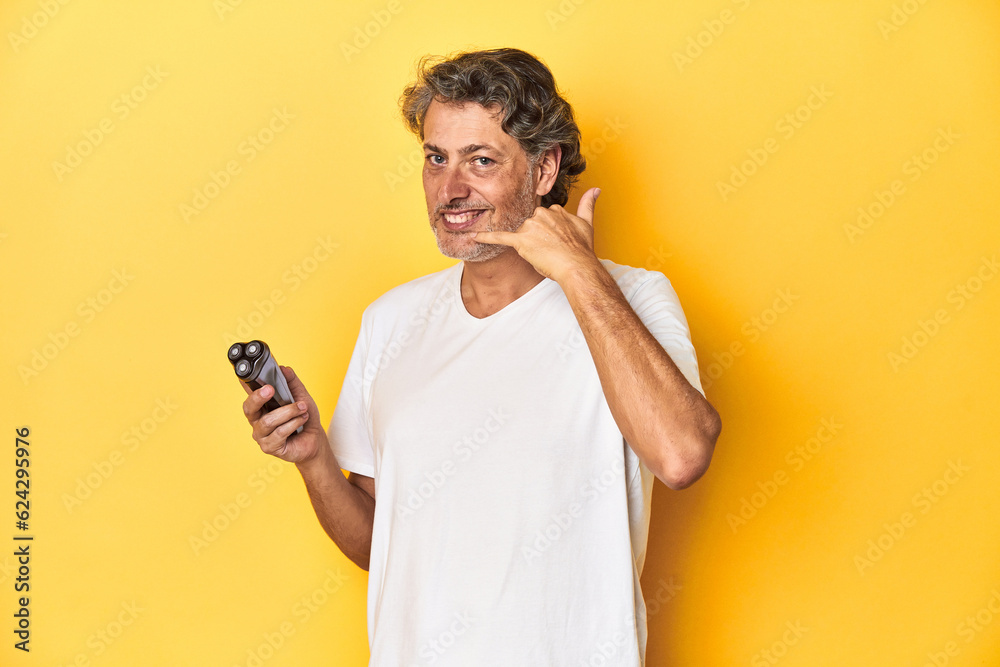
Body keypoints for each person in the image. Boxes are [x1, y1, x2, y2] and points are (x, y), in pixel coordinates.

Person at [240, 47, 721, 666]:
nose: (450, 190)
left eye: (481, 160)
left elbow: (681, 455)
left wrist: (580, 273)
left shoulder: (632, 297)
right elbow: (383, 545)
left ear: (544, 170)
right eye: (436, 159)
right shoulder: (391, 320)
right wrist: (314, 462)